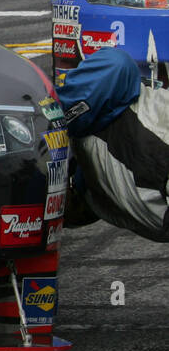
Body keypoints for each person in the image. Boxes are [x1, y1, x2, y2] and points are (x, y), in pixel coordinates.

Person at [56, 47, 169, 242]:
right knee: (118, 65)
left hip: (122, 147)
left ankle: (44, 119)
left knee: (117, 64)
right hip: (131, 120)